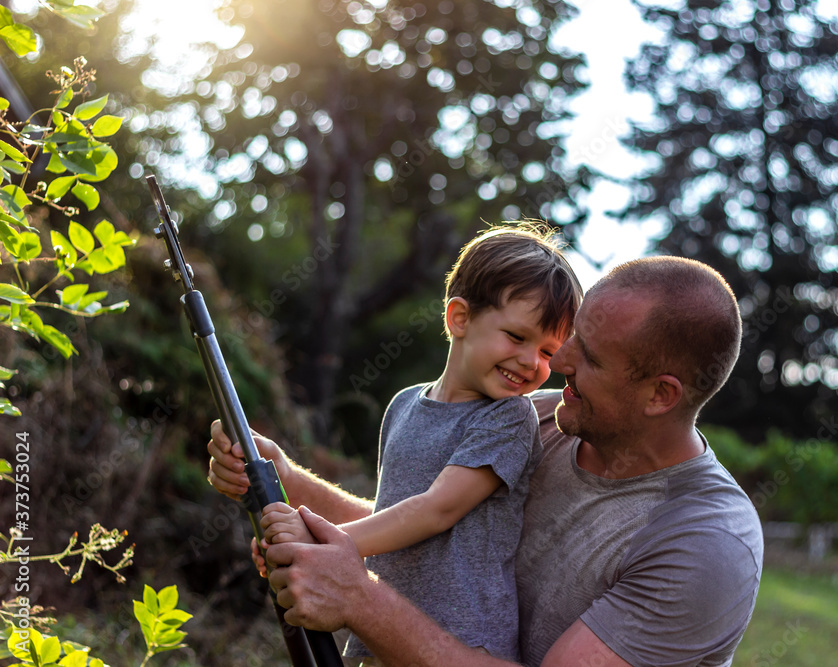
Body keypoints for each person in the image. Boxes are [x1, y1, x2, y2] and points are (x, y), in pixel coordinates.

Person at [208, 254, 764, 667]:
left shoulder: (706, 543)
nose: (557, 361)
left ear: (660, 395)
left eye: (585, 353)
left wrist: (357, 595)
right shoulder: (550, 418)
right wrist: (286, 482)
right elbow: (425, 519)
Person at [222, 223, 582, 664]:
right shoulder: (404, 404)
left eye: (548, 352)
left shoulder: (508, 417)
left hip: (461, 640)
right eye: (517, 337)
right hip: (380, 637)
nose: (531, 362)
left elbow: (437, 509)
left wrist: (320, 546)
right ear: (460, 318)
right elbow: (391, 514)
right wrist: (304, 523)